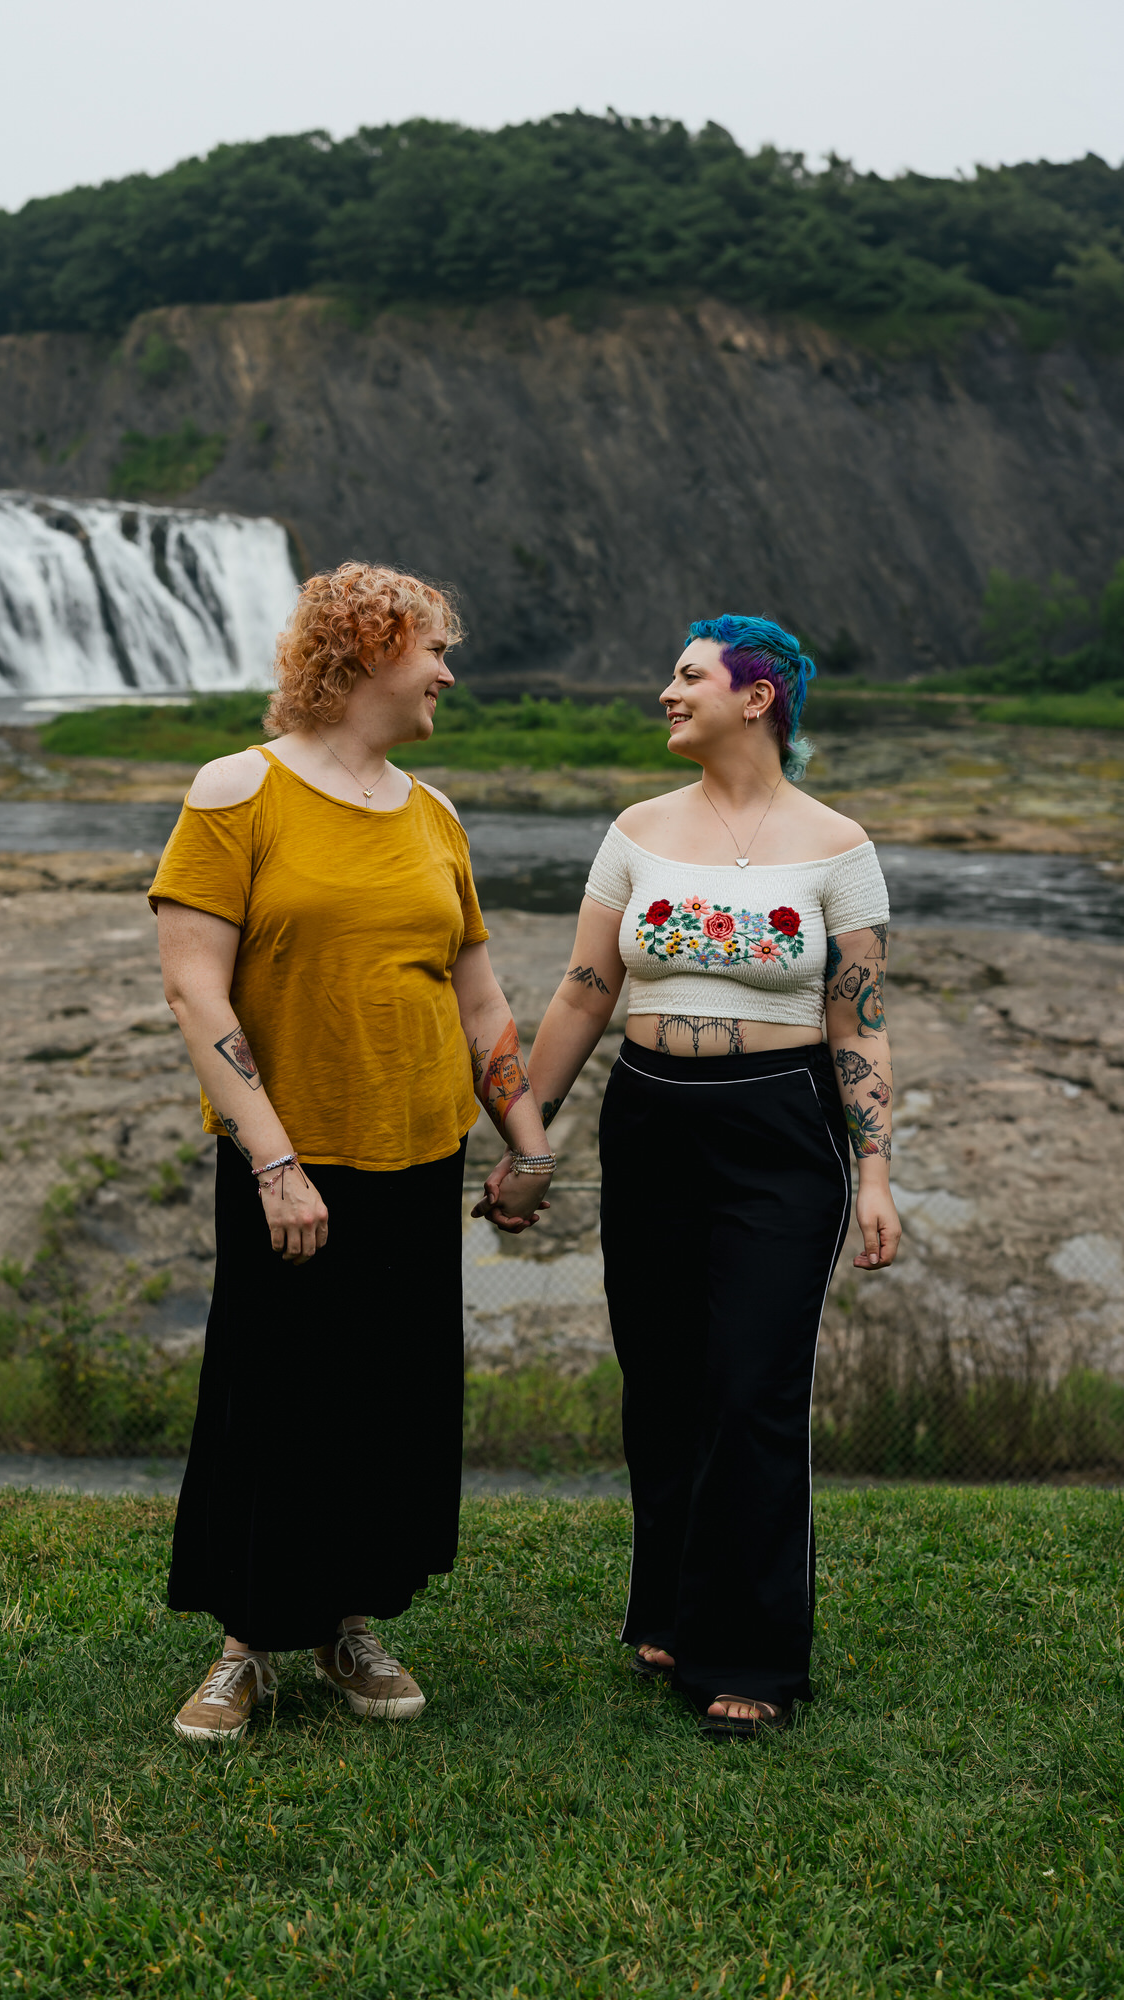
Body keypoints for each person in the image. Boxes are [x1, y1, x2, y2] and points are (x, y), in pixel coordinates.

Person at [149, 561, 556, 1744]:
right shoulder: (237, 791)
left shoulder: (433, 815)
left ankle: (348, 1623)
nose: (446, 671)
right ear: (368, 650)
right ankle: (241, 1645)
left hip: (418, 1155)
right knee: (272, 1398)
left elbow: (481, 1003)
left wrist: (524, 1142)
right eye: (433, 647)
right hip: (294, 1161)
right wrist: (272, 1159)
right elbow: (192, 986)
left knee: (390, 1401)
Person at [497, 614, 900, 1738]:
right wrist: (531, 1143)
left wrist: (873, 1170)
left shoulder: (837, 846)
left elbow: (857, 1022)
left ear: (755, 695)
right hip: (649, 1118)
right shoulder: (635, 830)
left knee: (751, 1386)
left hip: (781, 1131)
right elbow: (583, 990)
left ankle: (755, 1653)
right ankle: (671, 1605)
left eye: (686, 676)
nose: (664, 693)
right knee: (664, 1380)